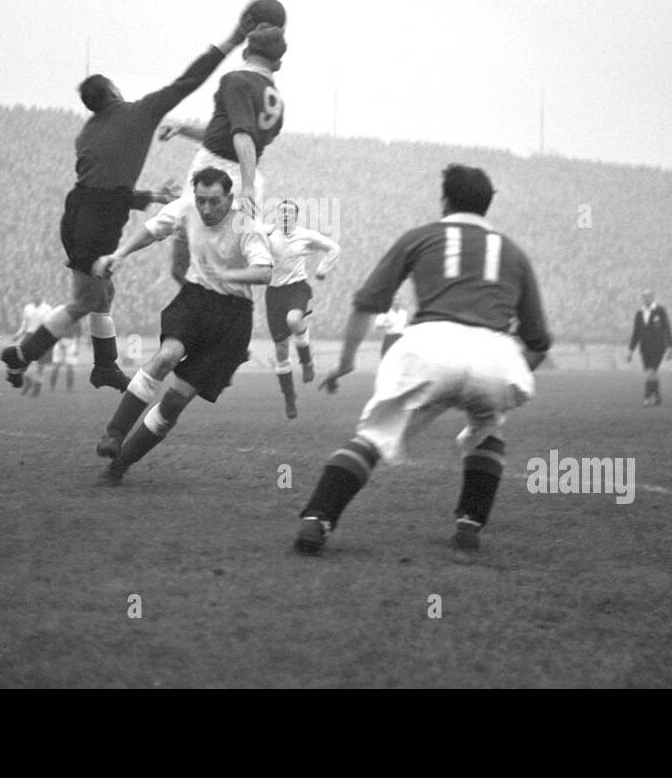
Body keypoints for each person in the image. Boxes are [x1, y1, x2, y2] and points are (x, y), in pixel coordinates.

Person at [294, 164, 551, 555]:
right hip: (495, 353)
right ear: (487, 205)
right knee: (488, 427)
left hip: (430, 345)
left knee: (374, 437)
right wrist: (500, 380)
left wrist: (346, 362)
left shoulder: (421, 237)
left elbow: (367, 301)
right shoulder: (514, 253)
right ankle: (470, 524)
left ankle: (317, 520)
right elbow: (539, 340)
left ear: (444, 200)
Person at [0, 7, 257, 394]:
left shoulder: (86, 134)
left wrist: (149, 196)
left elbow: (102, 185)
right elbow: (189, 80)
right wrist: (232, 40)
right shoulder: (139, 113)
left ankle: (104, 365)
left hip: (80, 213)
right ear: (115, 92)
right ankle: (22, 354)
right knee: (84, 301)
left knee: (104, 292)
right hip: (98, 219)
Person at [90, 167, 272, 484]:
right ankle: (113, 434)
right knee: (165, 357)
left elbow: (264, 272)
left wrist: (230, 276)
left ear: (230, 198)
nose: (205, 208)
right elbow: (152, 229)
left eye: (214, 201)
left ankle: (120, 466)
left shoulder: (246, 225)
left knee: (175, 401)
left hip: (232, 317)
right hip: (195, 300)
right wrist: (118, 255)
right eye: (201, 200)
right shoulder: (186, 207)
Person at [158, 22, 288, 215]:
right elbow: (229, 137)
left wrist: (247, 186)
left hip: (214, 172)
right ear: (278, 64)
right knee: (242, 241)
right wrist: (182, 127)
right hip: (248, 175)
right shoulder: (277, 101)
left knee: (185, 230)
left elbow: (242, 136)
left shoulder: (236, 80)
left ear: (245, 53)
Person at [264, 199, 340, 419]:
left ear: (295, 217)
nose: (285, 216)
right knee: (280, 350)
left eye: (289, 213)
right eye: (282, 213)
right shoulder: (268, 233)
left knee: (294, 320)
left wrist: (323, 269)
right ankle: (289, 397)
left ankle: (307, 361)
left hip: (297, 288)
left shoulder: (305, 236)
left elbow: (333, 247)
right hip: (274, 293)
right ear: (277, 216)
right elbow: (243, 236)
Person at [627, 289, 672, 405]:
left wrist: (670, 347)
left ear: (652, 298)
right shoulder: (639, 313)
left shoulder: (660, 311)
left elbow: (666, 328)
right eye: (644, 297)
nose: (645, 299)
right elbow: (636, 333)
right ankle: (657, 396)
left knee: (651, 372)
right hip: (645, 348)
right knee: (652, 372)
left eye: (648, 297)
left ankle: (647, 397)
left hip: (658, 347)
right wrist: (630, 350)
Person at [12, 292, 53, 396]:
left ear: (42, 297)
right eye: (34, 295)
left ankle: (38, 386)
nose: (36, 297)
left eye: (38, 295)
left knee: (40, 365)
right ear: (32, 296)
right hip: (29, 336)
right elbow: (25, 323)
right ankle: (29, 382)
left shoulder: (47, 308)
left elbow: (50, 323)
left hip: (42, 336)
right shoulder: (28, 308)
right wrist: (18, 334)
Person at [47, 320, 81, 392]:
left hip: (71, 343)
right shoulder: (62, 317)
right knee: (56, 366)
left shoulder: (77, 320)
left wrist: (77, 348)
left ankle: (69, 387)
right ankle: (52, 386)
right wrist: (59, 342)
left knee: (70, 367)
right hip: (59, 342)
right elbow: (55, 331)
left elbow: (78, 335)